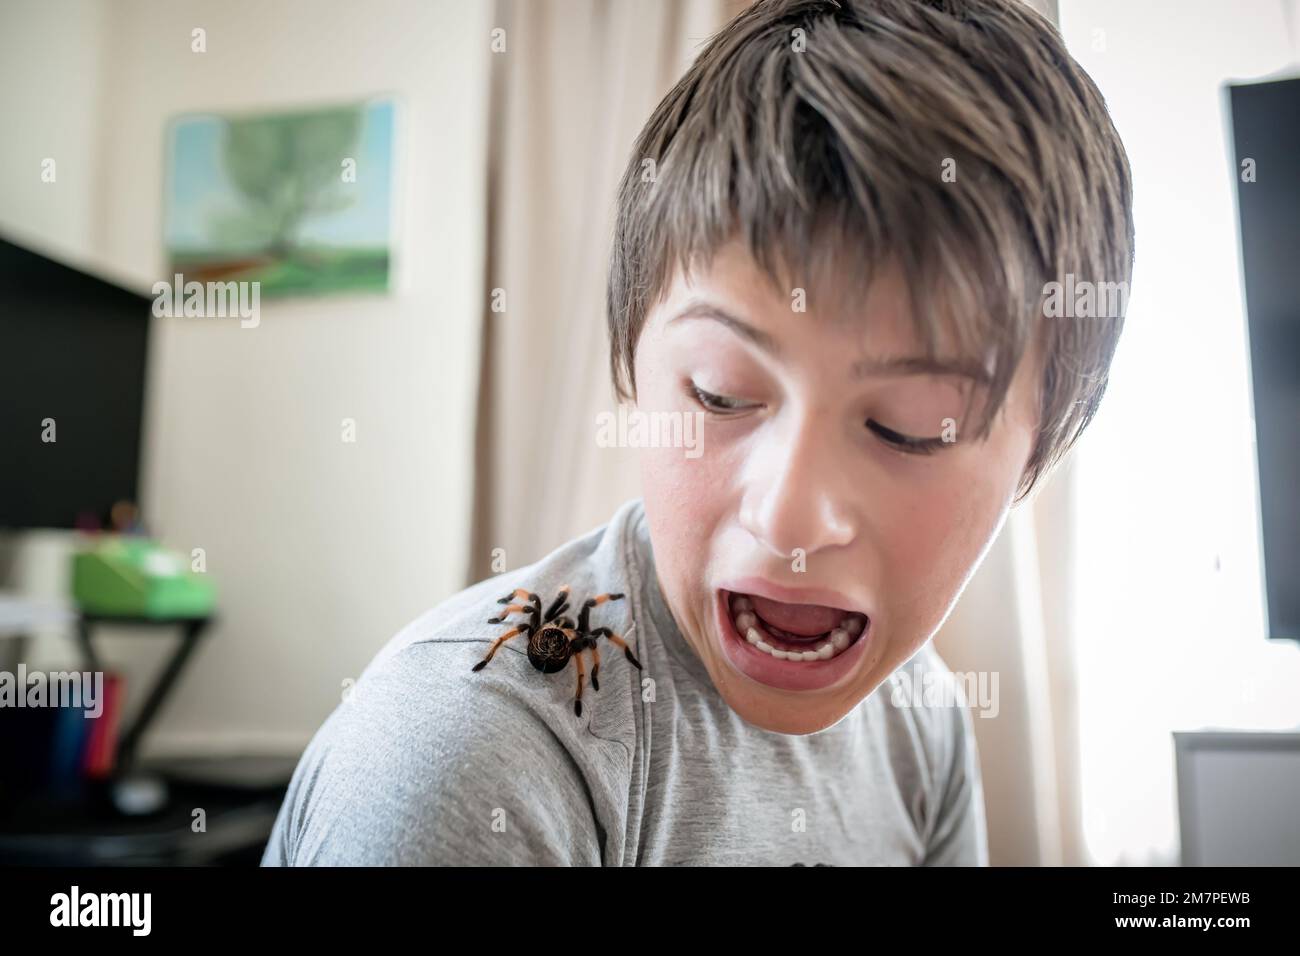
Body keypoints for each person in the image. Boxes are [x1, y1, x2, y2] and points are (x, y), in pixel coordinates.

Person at [263, 0, 1133, 866]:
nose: (788, 520)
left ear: (1041, 449)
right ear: (631, 370)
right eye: (720, 395)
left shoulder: (922, 720)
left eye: (907, 430)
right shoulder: (473, 757)